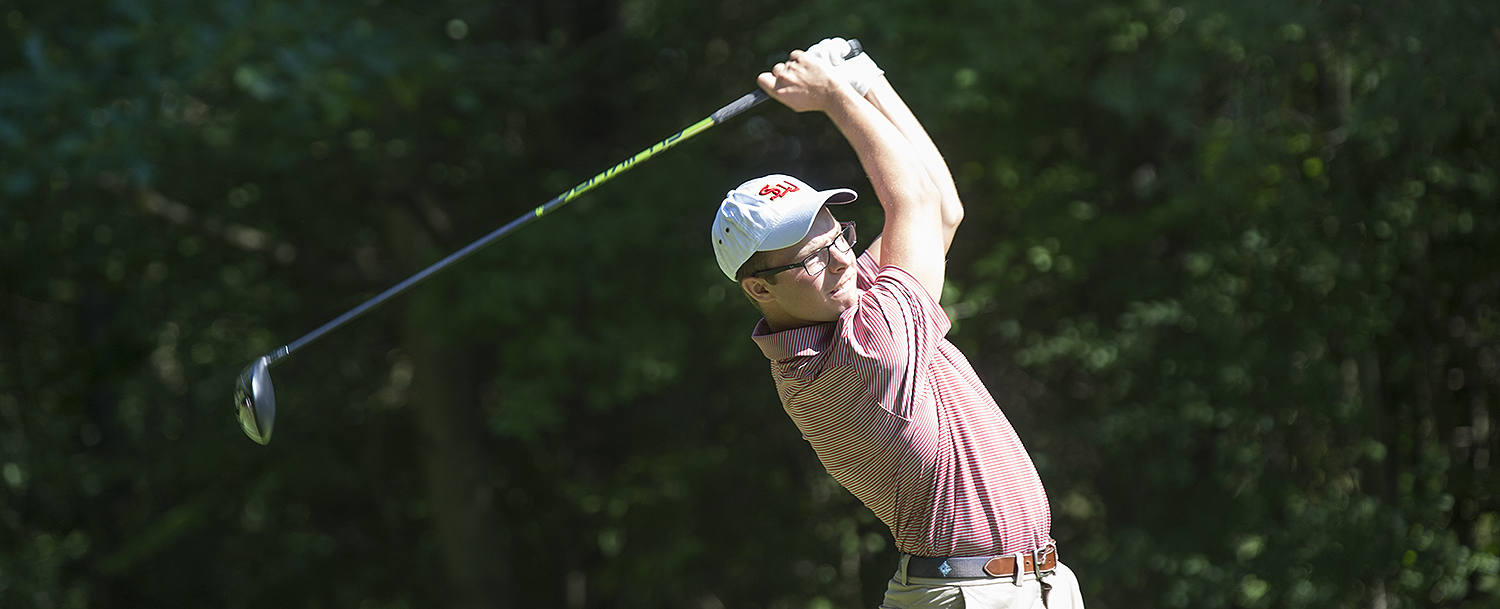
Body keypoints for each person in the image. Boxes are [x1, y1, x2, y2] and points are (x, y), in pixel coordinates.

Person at [709, 39, 1085, 608]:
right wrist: (834, 96)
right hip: (969, 595)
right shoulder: (858, 353)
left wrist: (863, 77)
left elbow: (943, 209)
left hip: (1026, 586)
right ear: (759, 289)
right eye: (813, 258)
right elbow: (914, 202)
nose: (841, 261)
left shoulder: (841, 306)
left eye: (840, 238)